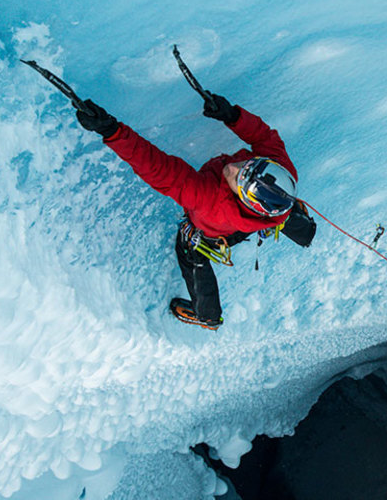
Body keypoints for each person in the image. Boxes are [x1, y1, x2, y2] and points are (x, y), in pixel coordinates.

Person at [73, 94, 315, 330]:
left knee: (191, 254)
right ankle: (304, 231)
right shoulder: (281, 171)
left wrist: (113, 132)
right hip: (258, 216)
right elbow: (265, 137)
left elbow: (157, 167)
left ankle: (207, 315)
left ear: (242, 197)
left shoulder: (205, 196)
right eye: (249, 165)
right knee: (282, 207)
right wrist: (233, 116)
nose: (235, 167)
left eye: (239, 177)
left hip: (211, 232)